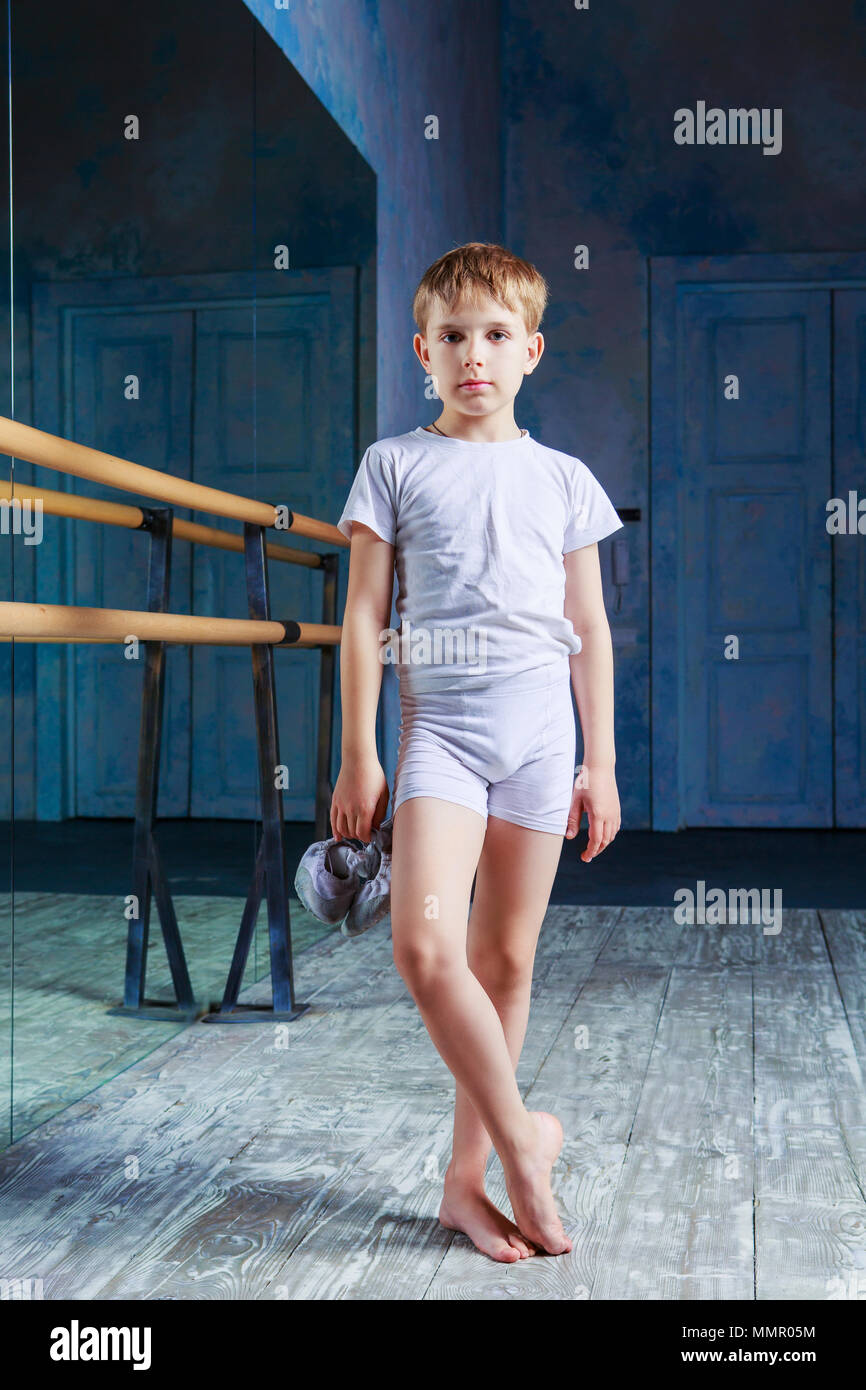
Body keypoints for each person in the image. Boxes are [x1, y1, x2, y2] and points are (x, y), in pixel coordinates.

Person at [332, 242, 624, 1262]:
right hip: (440, 740)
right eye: (452, 336)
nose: (473, 355)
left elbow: (586, 628)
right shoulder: (394, 465)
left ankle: (464, 1181)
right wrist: (357, 756)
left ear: (530, 350)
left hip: (543, 740)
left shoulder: (564, 479)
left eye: (495, 335)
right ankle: (521, 1147)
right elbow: (362, 616)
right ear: (423, 348)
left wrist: (603, 765)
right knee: (425, 950)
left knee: (503, 961)